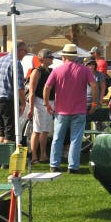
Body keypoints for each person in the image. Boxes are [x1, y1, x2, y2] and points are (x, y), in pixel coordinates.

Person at [43, 43, 98, 174]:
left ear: (64, 56)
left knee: (57, 138)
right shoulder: (85, 70)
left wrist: (46, 104)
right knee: (76, 139)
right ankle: (73, 166)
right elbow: (94, 86)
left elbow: (47, 87)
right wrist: (94, 103)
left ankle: (54, 165)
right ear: (75, 56)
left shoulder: (57, 70)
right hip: (79, 110)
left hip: (61, 110)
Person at [0, 40, 27, 143]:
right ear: (20, 50)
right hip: (8, 100)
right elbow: (20, 87)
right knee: (9, 133)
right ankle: (6, 157)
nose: (25, 54)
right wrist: (23, 103)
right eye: (25, 51)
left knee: (1, 131)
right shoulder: (16, 63)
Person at [27, 49, 54, 164]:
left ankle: (43, 154)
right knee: (37, 130)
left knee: (46, 130)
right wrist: (31, 108)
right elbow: (32, 91)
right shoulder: (37, 71)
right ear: (43, 58)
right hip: (39, 102)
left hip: (50, 103)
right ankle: (34, 156)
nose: (51, 59)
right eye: (49, 57)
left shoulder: (51, 71)